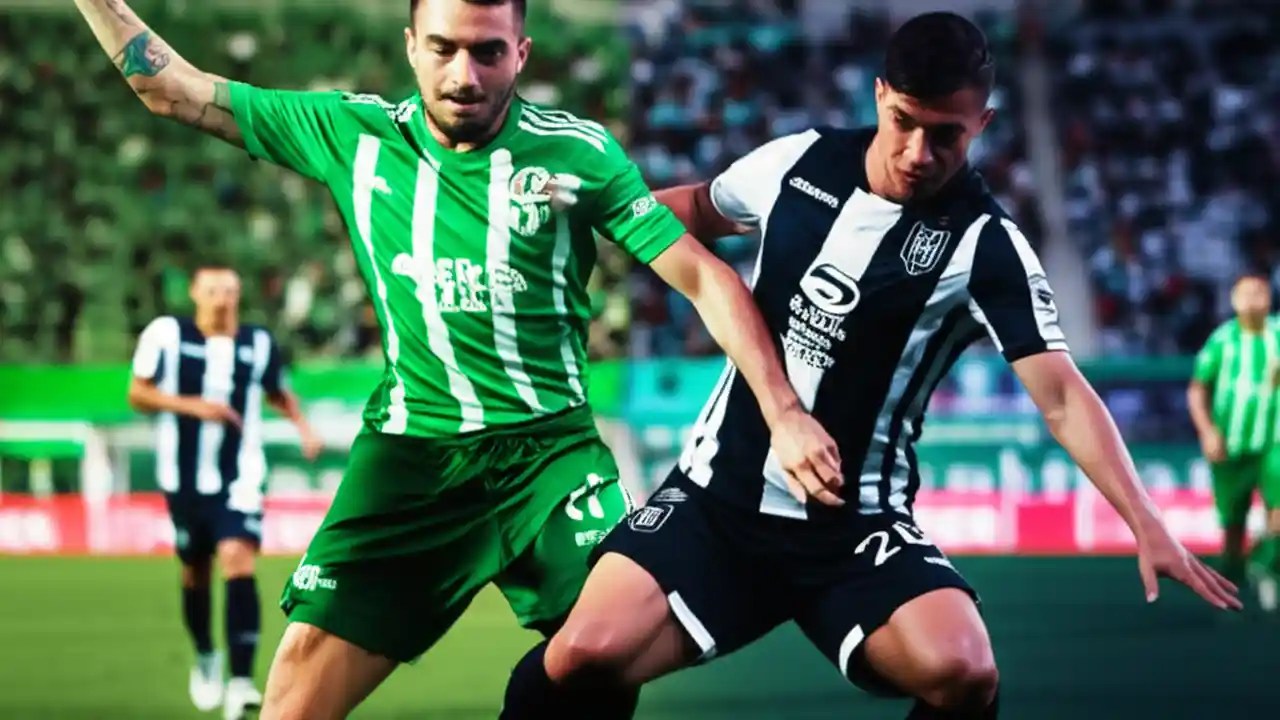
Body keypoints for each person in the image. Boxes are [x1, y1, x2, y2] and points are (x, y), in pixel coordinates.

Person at [74, 0, 840, 717]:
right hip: (413, 461)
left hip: (551, 460)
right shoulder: (351, 134)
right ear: (411, 46)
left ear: (521, 53)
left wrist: (784, 414)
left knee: (606, 664)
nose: (463, 74)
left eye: (487, 52)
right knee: (294, 699)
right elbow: (171, 88)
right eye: (442, 49)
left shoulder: (576, 154)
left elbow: (702, 276)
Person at [499, 12, 1242, 720]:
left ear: (982, 123)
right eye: (904, 122)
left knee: (966, 671)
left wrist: (1147, 522)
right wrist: (584, 212)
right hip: (717, 502)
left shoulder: (987, 246)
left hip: (855, 527)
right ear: (880, 95)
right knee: (581, 655)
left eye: (946, 135)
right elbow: (695, 205)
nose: (919, 153)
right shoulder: (798, 162)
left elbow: (1063, 398)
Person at [128, 265, 321, 719]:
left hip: (240, 476)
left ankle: (240, 682)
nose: (222, 298)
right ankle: (205, 654)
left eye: (231, 290)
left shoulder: (258, 342)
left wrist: (303, 426)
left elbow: (276, 391)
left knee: (237, 557)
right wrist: (192, 406)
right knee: (195, 570)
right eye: (213, 290)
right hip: (184, 480)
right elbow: (137, 394)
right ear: (195, 293)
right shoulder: (167, 335)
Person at [1187, 274, 1280, 611]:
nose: (1254, 299)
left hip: (1273, 443)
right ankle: (1231, 585)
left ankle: (1264, 563)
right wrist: (1208, 431)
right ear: (1234, 300)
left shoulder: (1278, 334)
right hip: (1229, 445)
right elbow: (1198, 389)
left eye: (1260, 292)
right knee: (1232, 526)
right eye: (1246, 293)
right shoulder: (1222, 340)